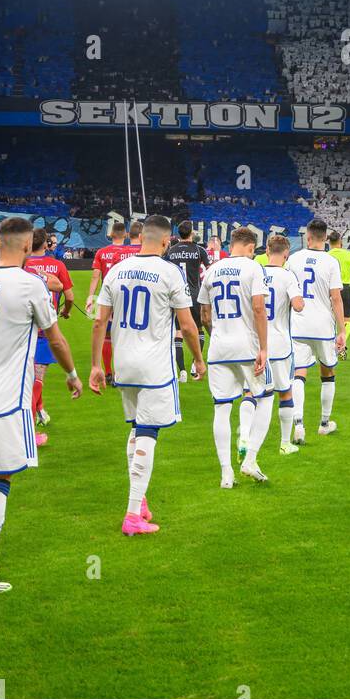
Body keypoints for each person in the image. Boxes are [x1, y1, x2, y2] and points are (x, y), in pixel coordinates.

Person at [0, 216, 82, 595]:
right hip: (6, 397)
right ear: (29, 246)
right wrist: (72, 374)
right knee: (1, 477)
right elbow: (57, 339)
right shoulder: (32, 285)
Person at [90, 214, 204, 536]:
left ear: (140, 238)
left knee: (136, 428)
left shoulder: (117, 269)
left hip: (124, 364)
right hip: (155, 365)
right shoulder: (169, 273)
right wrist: (198, 360)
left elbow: (100, 322)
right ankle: (131, 515)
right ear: (166, 242)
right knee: (149, 432)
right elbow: (187, 325)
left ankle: (139, 503)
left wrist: (97, 365)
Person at [197, 227, 270, 487]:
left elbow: (204, 315)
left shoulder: (213, 269)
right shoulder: (253, 269)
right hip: (247, 345)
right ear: (251, 248)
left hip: (219, 347)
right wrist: (264, 347)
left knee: (221, 407)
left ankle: (226, 473)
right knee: (265, 397)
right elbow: (259, 308)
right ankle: (250, 458)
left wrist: (216, 333)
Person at [287, 219, 345, 442]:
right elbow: (336, 298)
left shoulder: (293, 259)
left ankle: (298, 423)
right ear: (325, 238)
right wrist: (341, 329)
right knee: (327, 372)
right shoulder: (331, 262)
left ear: (308, 237)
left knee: (299, 373)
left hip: (298, 324)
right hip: (322, 326)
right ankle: (323, 423)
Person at [24, 227, 74, 441]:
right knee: (38, 376)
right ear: (46, 244)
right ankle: (28, 428)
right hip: (44, 328)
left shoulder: (21, 264)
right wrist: (65, 311)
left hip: (21, 329)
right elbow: (69, 295)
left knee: (26, 375)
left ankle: (40, 410)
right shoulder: (57, 265)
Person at [257, 233, 304, 458]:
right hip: (280, 344)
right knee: (285, 391)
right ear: (286, 254)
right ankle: (285, 443)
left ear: (267, 250)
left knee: (253, 392)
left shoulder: (256, 272)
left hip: (256, 345)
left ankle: (246, 437)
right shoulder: (288, 276)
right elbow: (298, 306)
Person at [163, 221, 210, 382]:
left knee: (178, 332)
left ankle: (181, 370)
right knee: (199, 329)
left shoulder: (171, 251)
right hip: (195, 294)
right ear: (191, 233)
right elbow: (209, 271)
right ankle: (194, 364)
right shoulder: (199, 250)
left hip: (176, 295)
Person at [86, 220, 130, 383]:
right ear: (125, 235)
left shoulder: (102, 252)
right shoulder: (128, 252)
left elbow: (95, 276)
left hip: (107, 297)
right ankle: (120, 373)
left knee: (106, 336)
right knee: (123, 335)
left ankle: (108, 372)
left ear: (110, 235)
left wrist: (91, 297)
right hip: (125, 297)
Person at [327, 230, 350, 359]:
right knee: (346, 320)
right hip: (344, 287)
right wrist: (349, 278)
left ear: (329, 242)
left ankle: (331, 347)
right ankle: (341, 344)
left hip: (329, 289)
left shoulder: (327, 255)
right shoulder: (348, 255)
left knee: (331, 319)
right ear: (340, 242)